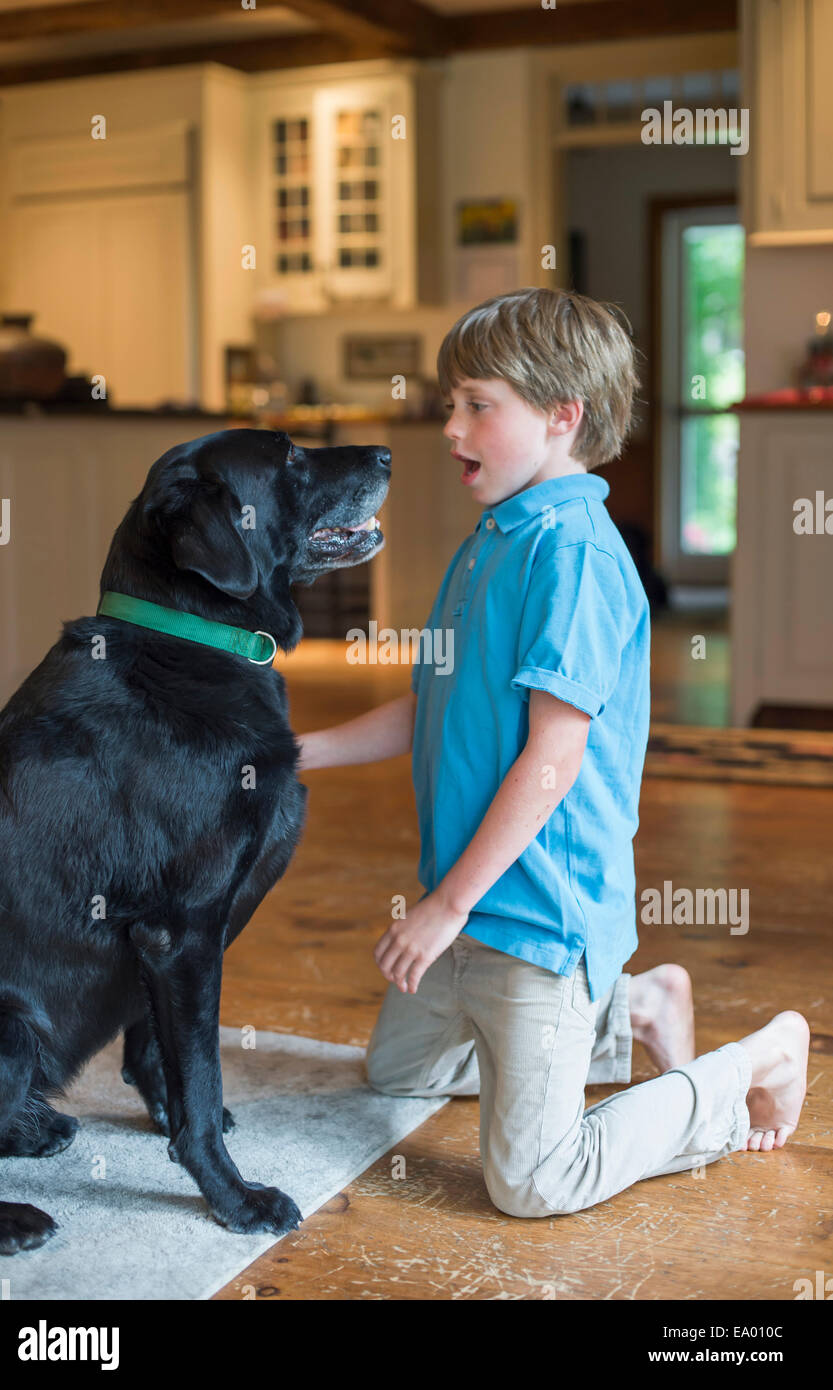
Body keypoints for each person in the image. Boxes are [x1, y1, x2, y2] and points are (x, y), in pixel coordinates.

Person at [295, 287, 809, 1219]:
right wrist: (299, 753)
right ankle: (638, 1002)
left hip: (538, 919)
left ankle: (754, 1061)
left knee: (534, 1182)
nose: (450, 426)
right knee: (396, 1075)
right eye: (451, 402)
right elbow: (432, 707)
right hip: (470, 907)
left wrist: (444, 908)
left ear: (561, 416)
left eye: (476, 405)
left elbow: (551, 761)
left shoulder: (571, 557)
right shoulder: (492, 537)